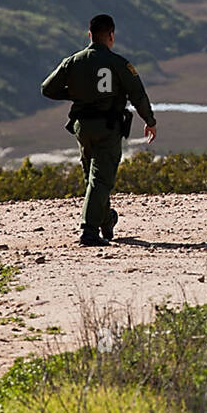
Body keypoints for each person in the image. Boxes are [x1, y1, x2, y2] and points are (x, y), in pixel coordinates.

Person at [41, 14, 157, 246]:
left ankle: (106, 220)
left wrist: (74, 93)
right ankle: (89, 231)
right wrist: (150, 121)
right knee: (101, 179)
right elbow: (138, 95)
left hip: (82, 127)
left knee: (92, 176)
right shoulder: (119, 63)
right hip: (108, 127)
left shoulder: (73, 61)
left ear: (90, 35)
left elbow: (47, 88)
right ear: (111, 36)